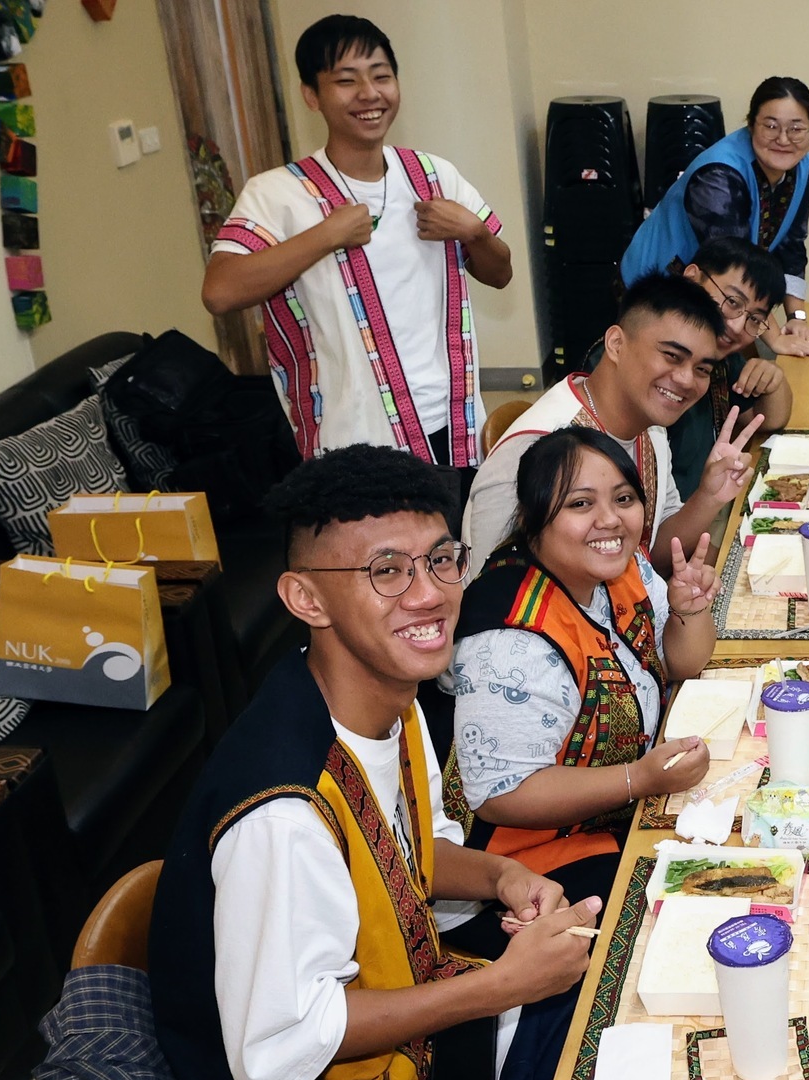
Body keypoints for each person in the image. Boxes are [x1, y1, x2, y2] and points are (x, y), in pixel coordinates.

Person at [147, 445, 716, 1080]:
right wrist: (500, 987)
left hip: (424, 1067)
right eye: (385, 571)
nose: (430, 594)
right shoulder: (282, 812)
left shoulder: (382, 704)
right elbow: (277, 1053)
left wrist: (500, 877)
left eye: (441, 560)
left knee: (658, 1034)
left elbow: (398, 857)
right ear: (306, 596)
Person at [202, 15, 511, 466]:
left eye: (382, 76)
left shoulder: (432, 174)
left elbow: (500, 274)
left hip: (450, 419)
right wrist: (326, 235)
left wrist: (474, 232)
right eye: (346, 81)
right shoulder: (276, 193)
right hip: (350, 437)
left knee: (456, 538)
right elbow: (220, 291)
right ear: (312, 96)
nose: (370, 93)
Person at [451, 428, 720, 906]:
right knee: (692, 897)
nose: (610, 520)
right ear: (534, 518)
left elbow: (682, 661)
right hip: (523, 866)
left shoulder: (621, 567)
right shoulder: (511, 636)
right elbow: (502, 794)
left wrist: (690, 609)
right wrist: (638, 779)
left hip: (625, 811)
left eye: (623, 498)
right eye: (580, 504)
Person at [463, 275, 762, 577]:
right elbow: (488, 591)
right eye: (672, 356)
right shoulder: (530, 453)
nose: (686, 380)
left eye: (702, 369)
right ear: (616, 344)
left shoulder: (652, 430)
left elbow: (651, 554)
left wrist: (708, 496)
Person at [620, 77, 809, 357]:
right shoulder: (718, 176)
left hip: (723, 300)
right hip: (656, 292)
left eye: (796, 129)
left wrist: (797, 319)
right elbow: (736, 269)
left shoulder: (800, 164)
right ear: (751, 124)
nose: (783, 139)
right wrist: (776, 340)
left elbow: (792, 243)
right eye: (771, 126)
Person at [601, 237, 793, 500]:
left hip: (688, 516)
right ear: (692, 277)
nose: (736, 326)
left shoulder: (721, 360)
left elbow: (769, 419)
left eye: (754, 319)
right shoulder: (630, 359)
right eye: (733, 302)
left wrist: (774, 378)